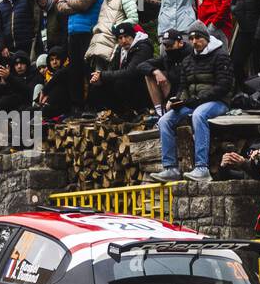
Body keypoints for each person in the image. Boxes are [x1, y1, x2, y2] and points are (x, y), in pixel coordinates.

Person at [149, 23, 233, 183]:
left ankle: (202, 168)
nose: (194, 41)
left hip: (218, 102)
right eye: (192, 38)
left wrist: (194, 100)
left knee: (199, 115)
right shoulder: (188, 60)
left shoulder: (221, 56)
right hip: (193, 102)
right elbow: (183, 87)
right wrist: (177, 99)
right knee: (164, 120)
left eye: (198, 37)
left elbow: (224, 86)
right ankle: (170, 168)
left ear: (206, 38)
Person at [54, 0, 104, 115]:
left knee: (88, 68)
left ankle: (92, 104)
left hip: (88, 30)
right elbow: (59, 7)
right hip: (73, 31)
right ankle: (76, 104)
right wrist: (74, 2)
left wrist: (70, 1)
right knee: (74, 69)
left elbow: (84, 3)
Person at [90, 21, 152, 117]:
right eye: (120, 38)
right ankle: (120, 113)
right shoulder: (121, 49)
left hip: (143, 87)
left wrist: (103, 75)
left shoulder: (143, 47)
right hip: (128, 84)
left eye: (126, 36)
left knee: (120, 82)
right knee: (97, 85)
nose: (123, 40)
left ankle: (138, 111)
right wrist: (100, 78)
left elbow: (131, 72)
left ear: (133, 35)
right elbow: (112, 69)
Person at [139, 28, 188, 124]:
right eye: (165, 45)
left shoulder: (189, 54)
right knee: (149, 75)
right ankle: (160, 113)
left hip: (186, 91)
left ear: (180, 43)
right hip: (172, 91)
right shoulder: (167, 57)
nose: (167, 48)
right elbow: (141, 65)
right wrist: (156, 71)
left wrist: (177, 98)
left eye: (170, 45)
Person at [37, 46, 72, 120]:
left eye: (57, 59)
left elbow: (61, 73)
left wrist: (45, 91)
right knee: (28, 110)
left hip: (64, 107)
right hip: (49, 106)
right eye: (52, 60)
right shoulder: (48, 74)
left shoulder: (67, 70)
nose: (54, 62)